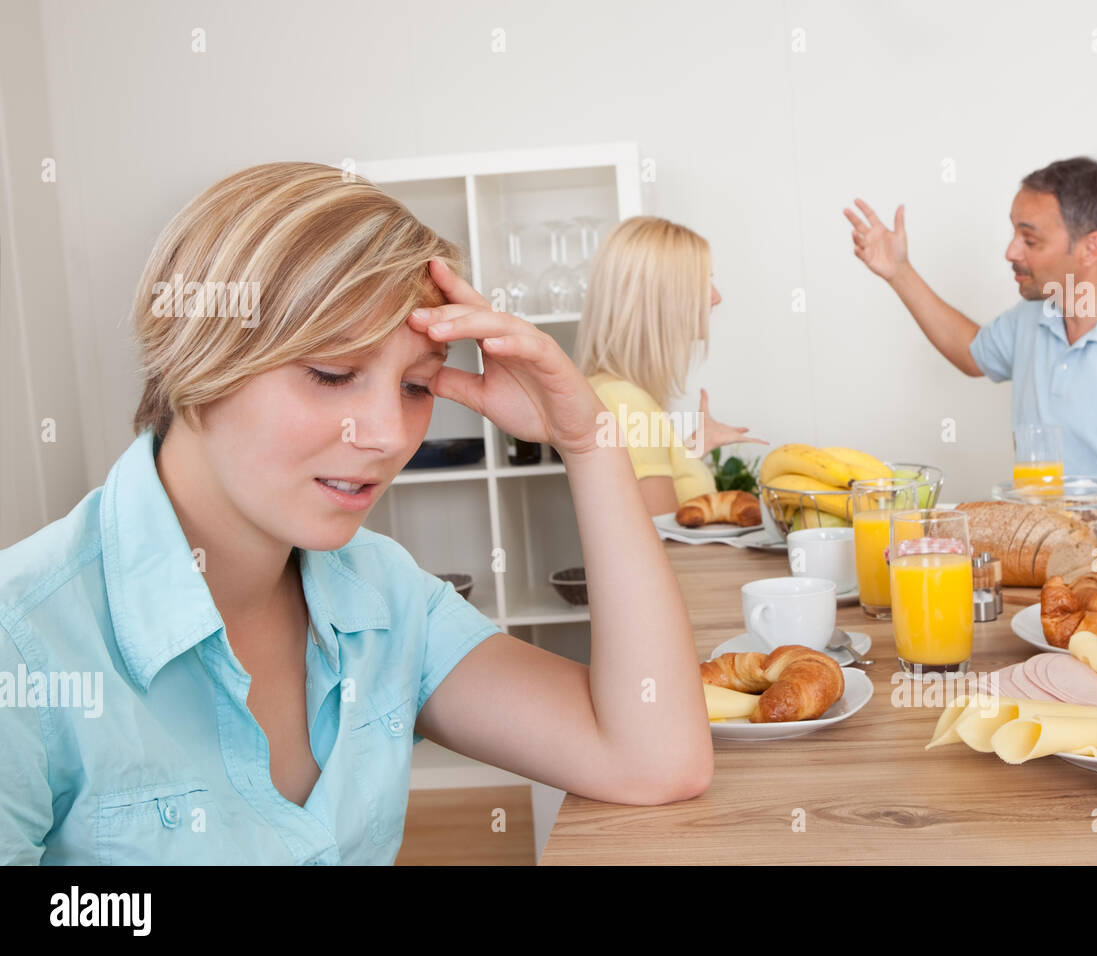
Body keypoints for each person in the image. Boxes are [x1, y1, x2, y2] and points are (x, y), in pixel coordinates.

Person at [0, 162, 712, 865]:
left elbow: (652, 760)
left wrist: (588, 442)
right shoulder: (24, 644)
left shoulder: (380, 592)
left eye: (416, 386)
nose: (388, 434)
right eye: (332, 375)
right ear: (197, 359)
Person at [844, 156, 1097, 498]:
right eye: (1014, 234)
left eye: (1030, 239)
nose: (1011, 252)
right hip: (1041, 560)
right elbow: (971, 352)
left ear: (1091, 248)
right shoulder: (1035, 315)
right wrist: (899, 272)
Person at [575, 216, 767, 517]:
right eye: (703, 281)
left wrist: (691, 448)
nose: (716, 297)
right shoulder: (627, 401)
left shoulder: (614, 391)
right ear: (659, 296)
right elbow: (663, 542)